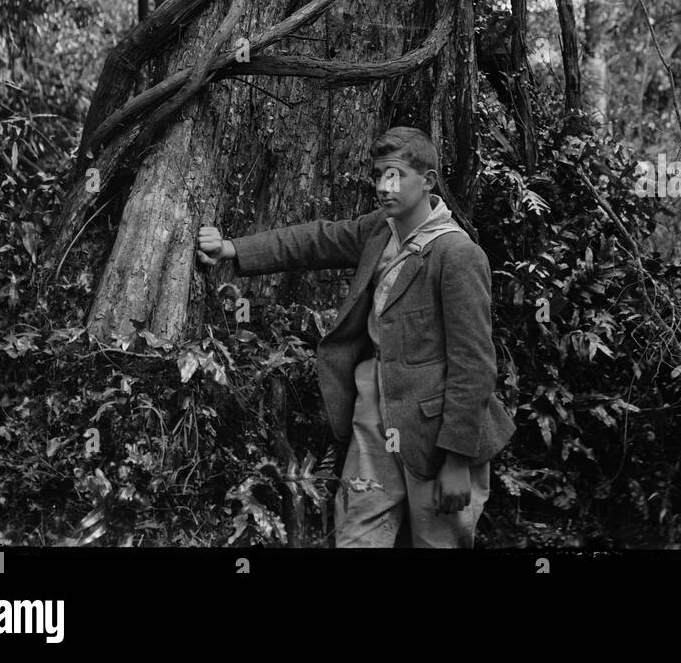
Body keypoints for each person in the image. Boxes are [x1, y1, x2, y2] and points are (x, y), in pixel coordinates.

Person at [197, 125, 514, 548]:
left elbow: (474, 365)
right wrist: (232, 248)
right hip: (373, 411)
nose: (384, 186)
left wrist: (457, 459)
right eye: (379, 175)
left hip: (436, 431)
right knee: (357, 535)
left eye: (396, 175)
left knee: (438, 540)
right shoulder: (381, 230)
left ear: (428, 181)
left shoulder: (457, 254)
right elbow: (316, 240)